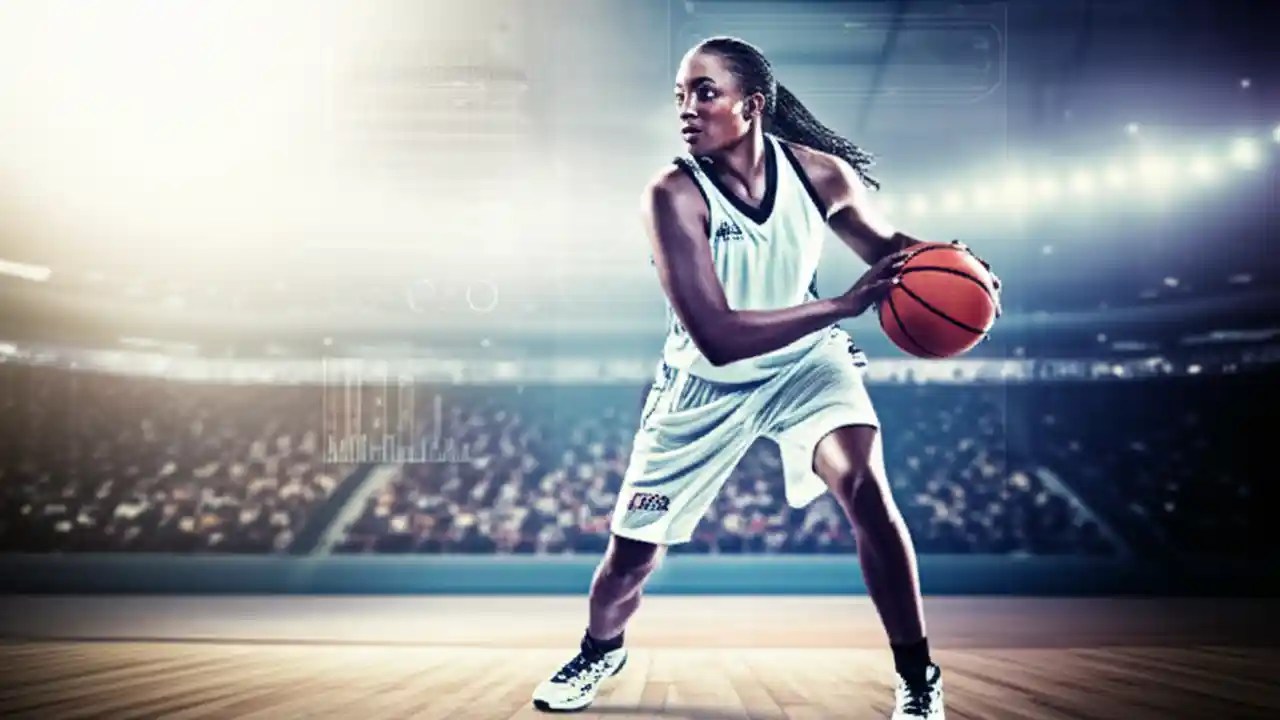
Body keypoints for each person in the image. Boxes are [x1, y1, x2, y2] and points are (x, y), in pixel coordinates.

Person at [533, 36, 999, 719]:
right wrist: (841, 306)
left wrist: (963, 267)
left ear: (750, 106)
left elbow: (890, 253)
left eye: (704, 92)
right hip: (703, 385)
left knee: (867, 490)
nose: (687, 110)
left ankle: (917, 674)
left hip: (806, 364)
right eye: (680, 96)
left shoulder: (818, 173)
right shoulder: (671, 195)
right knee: (630, 562)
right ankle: (601, 648)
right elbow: (717, 337)